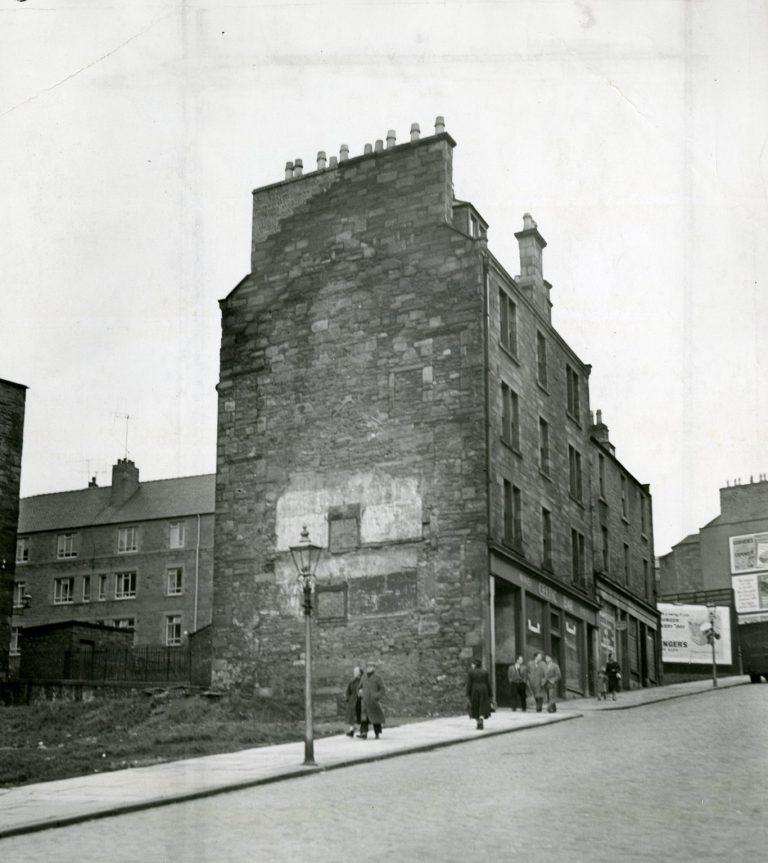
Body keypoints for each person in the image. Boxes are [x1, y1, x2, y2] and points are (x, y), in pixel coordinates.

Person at [358, 662, 385, 739]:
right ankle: (364, 733)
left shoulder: (378, 678)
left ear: (374, 668)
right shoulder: (363, 677)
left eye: (371, 667)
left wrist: (376, 696)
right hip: (365, 701)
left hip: (373, 702)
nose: (368, 668)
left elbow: (382, 689)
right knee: (364, 718)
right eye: (367, 667)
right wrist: (360, 692)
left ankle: (377, 733)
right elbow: (360, 687)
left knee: (375, 719)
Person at [466, 658, 493, 730]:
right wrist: (490, 694)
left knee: (475, 706)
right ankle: (481, 720)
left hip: (474, 690)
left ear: (475, 665)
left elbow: (469, 684)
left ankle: (478, 722)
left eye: (472, 664)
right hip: (484, 690)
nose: (472, 665)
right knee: (482, 706)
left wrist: (468, 694)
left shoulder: (471, 672)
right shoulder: (485, 672)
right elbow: (488, 683)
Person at [344, 665, 363, 737]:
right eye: (354, 672)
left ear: (359, 673)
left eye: (356, 672)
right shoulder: (352, 681)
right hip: (352, 702)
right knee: (351, 717)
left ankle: (362, 731)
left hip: (360, 701)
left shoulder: (362, 681)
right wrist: (348, 699)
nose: (354, 673)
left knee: (361, 717)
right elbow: (347, 691)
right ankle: (351, 731)